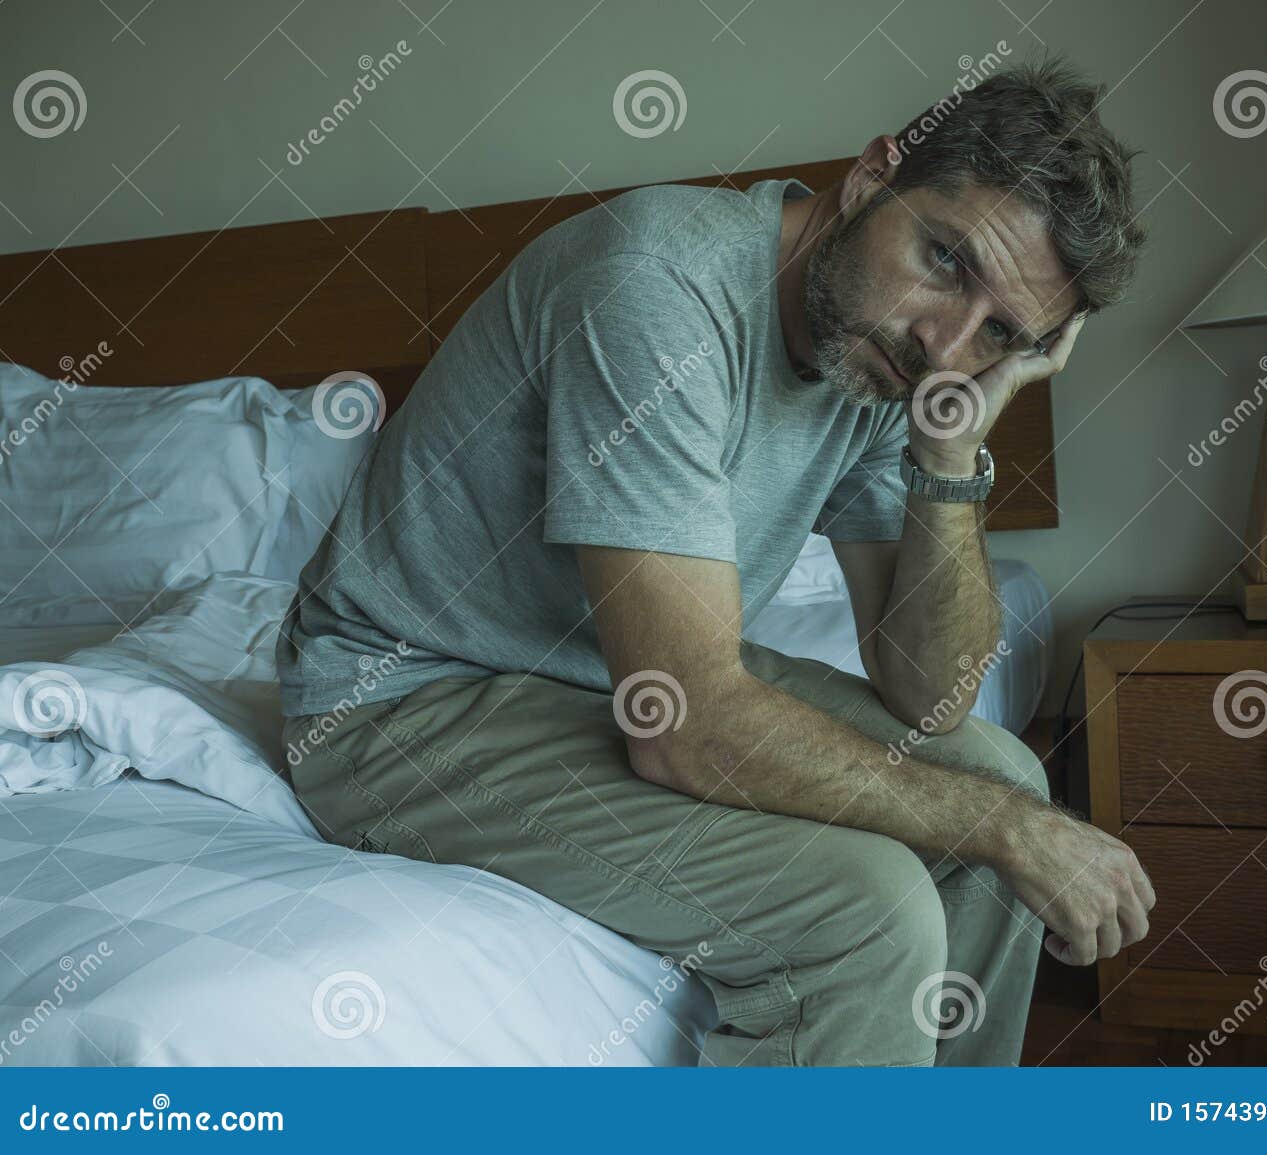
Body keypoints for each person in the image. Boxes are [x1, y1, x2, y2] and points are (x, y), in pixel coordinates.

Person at [277, 56, 1153, 1066]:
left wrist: (949, 450)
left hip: (599, 675)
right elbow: (683, 722)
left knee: (1001, 776)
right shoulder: (656, 287)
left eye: (999, 331)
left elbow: (932, 694)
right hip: (403, 701)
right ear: (873, 178)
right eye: (947, 259)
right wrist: (1000, 827)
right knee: (869, 910)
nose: (944, 343)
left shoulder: (894, 362)